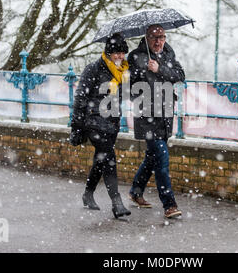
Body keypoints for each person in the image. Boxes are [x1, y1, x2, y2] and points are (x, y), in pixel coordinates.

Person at [69, 33, 131, 219]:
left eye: (122, 53)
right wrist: (77, 126)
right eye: (116, 53)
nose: (120, 56)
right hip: (93, 122)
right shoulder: (94, 69)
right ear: (108, 52)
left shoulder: (124, 73)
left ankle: (88, 194)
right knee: (109, 158)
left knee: (101, 159)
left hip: (112, 123)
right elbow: (80, 98)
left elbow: (126, 96)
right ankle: (117, 203)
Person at [128, 24, 185, 218]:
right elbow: (131, 88)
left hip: (166, 115)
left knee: (152, 157)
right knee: (162, 158)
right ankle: (169, 204)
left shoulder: (168, 53)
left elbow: (180, 76)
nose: (159, 41)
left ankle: (136, 192)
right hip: (147, 116)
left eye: (162, 37)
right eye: (154, 38)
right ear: (146, 38)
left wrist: (159, 69)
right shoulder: (136, 57)